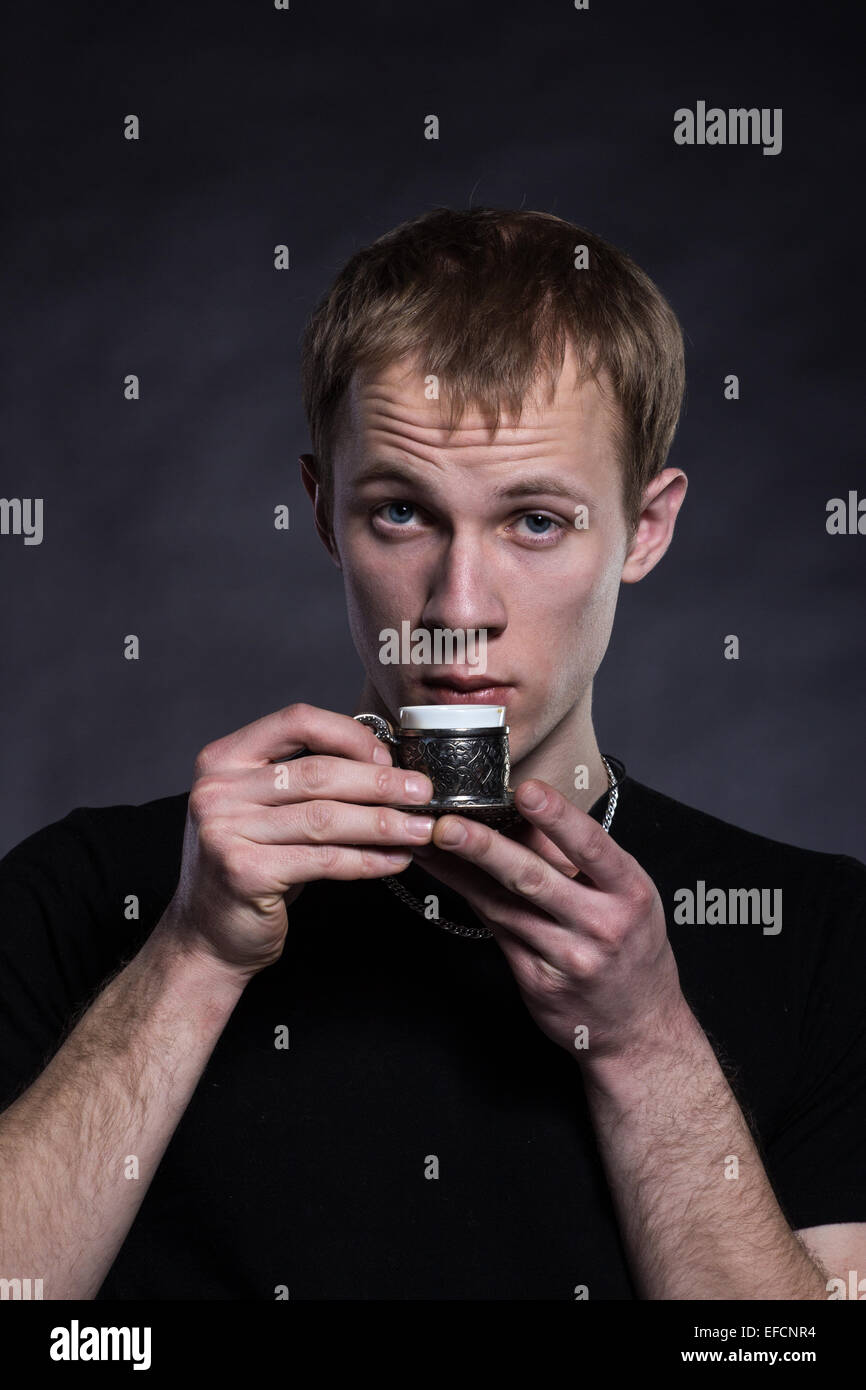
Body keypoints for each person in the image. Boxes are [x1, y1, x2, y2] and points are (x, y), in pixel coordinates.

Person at [1, 207, 864, 1302]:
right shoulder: (82, 894)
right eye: (402, 512)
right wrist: (193, 957)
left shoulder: (824, 940)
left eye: (535, 522)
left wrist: (647, 1048)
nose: (458, 611)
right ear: (324, 513)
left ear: (644, 529)